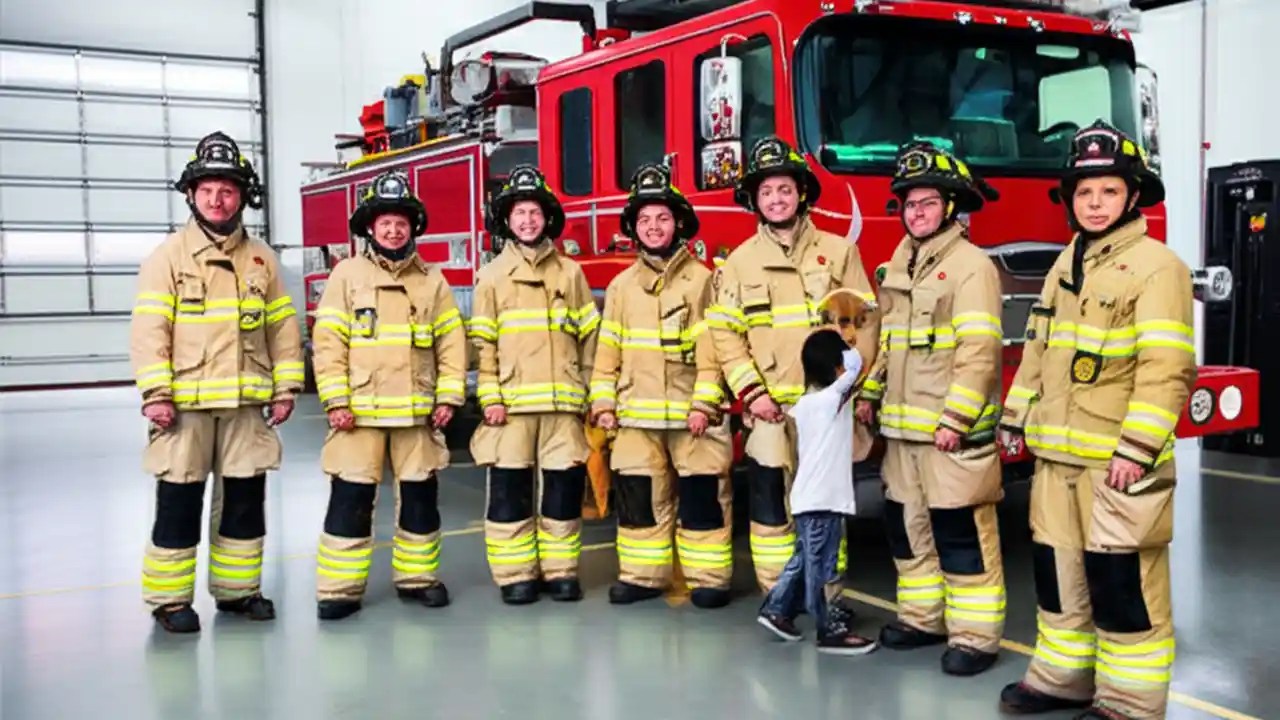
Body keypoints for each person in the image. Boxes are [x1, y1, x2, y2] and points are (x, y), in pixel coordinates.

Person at [996, 121, 1194, 720]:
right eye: (1085, 193)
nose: (1095, 204)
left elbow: (1167, 367)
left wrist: (1136, 449)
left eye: (1108, 191)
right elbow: (1037, 349)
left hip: (1118, 464)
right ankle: (1062, 678)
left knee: (1123, 584)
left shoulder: (1158, 267)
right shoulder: (1065, 265)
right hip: (1058, 459)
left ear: (1133, 196)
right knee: (1059, 575)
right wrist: (1015, 417)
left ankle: (1130, 703)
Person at [129, 131, 303, 633]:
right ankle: (169, 601)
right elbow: (149, 330)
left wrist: (286, 387)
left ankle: (238, 591)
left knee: (246, 502)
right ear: (191, 194)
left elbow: (283, 329)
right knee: (179, 501)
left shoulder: (262, 260)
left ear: (242, 196)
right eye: (207, 189)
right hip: (183, 408)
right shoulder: (166, 258)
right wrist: (155, 394)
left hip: (247, 406)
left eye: (227, 190)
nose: (217, 199)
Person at [707, 135, 880, 607]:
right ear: (754, 201)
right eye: (766, 192)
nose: (776, 199)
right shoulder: (739, 263)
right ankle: (778, 596)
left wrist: (852, 389)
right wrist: (751, 393)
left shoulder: (839, 250)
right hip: (770, 409)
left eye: (784, 189)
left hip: (827, 410)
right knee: (768, 505)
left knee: (824, 508)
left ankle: (826, 596)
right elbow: (725, 335)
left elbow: (866, 322)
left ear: (801, 193)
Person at [855, 142, 1007, 677]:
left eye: (927, 204)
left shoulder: (971, 267)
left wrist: (957, 420)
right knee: (907, 528)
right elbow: (890, 341)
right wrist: (871, 392)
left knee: (960, 534)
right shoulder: (900, 262)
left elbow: (980, 352)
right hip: (902, 434)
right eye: (910, 204)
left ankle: (974, 637)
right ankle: (922, 618)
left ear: (950, 207)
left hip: (950, 437)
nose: (917, 213)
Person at [309, 170, 467, 621]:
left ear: (412, 227)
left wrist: (449, 396)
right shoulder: (346, 276)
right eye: (384, 223)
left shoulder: (432, 281)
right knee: (350, 499)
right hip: (357, 414)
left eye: (400, 222)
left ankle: (417, 580)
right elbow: (329, 342)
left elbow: (451, 343)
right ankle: (339, 590)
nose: (393, 230)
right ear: (369, 228)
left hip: (417, 414)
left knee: (420, 498)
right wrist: (336, 401)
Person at [588, 163, 734, 609]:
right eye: (645, 220)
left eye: (662, 218)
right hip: (636, 416)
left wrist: (705, 405)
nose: (654, 227)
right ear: (634, 228)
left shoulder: (704, 279)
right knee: (638, 499)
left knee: (703, 497)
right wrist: (603, 403)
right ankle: (641, 576)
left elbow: (716, 352)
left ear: (679, 223)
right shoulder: (620, 287)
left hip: (694, 416)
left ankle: (708, 579)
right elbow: (606, 352)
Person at [468, 165, 599, 605]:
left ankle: (562, 572)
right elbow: (482, 345)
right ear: (507, 220)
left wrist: (588, 395)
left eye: (534, 212)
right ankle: (515, 576)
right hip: (510, 408)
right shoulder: (491, 277)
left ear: (547, 218)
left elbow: (590, 341)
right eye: (520, 213)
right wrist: (490, 397)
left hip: (563, 407)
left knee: (563, 493)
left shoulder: (571, 274)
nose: (527, 220)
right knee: (510, 493)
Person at [756, 328, 877, 654]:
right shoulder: (829, 400)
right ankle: (828, 631)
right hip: (823, 499)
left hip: (810, 497)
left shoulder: (808, 402)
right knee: (820, 567)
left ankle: (778, 610)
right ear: (834, 366)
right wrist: (850, 345)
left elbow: (850, 366)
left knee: (804, 560)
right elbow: (858, 364)